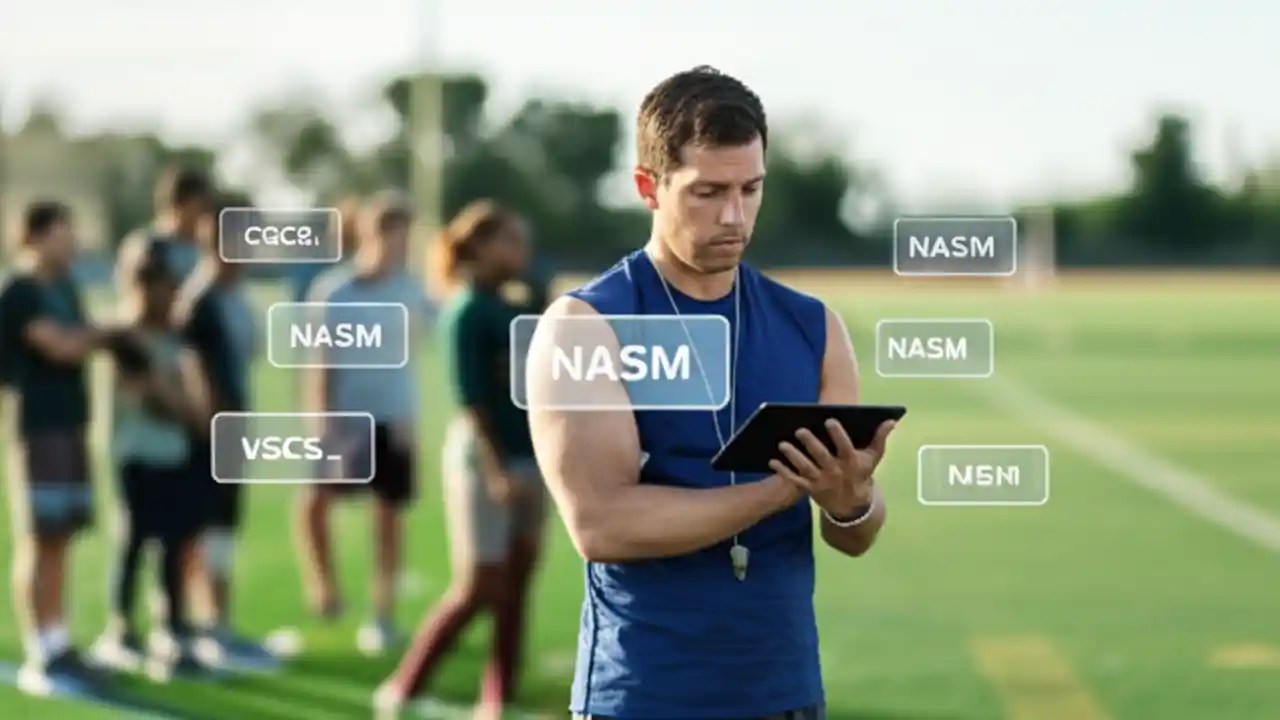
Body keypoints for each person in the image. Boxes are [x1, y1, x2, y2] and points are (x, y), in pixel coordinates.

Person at [528, 66, 900, 719]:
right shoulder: (585, 327)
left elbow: (853, 535)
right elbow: (603, 524)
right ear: (649, 187)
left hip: (785, 694)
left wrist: (851, 501)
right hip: (644, 694)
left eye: (750, 189)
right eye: (707, 192)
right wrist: (782, 489)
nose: (734, 215)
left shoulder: (815, 328)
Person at [375, 200, 549, 717]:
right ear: (481, 245)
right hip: (486, 460)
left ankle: (497, 698)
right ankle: (404, 686)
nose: (522, 251)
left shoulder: (511, 306)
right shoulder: (467, 309)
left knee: (518, 583)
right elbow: (471, 400)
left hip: (530, 456)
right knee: (479, 585)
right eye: (511, 240)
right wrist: (497, 470)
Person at [294, 191, 434, 655]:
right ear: (370, 235)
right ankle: (325, 590)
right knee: (314, 505)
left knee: (388, 516)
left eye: (406, 237)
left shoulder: (412, 290)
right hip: (345, 422)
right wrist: (322, 422)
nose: (400, 246)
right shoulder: (334, 290)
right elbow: (319, 361)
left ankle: (383, 613)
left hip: (395, 419)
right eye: (394, 236)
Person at [1, 201, 112, 696]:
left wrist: (88, 336)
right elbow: (62, 346)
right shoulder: (20, 292)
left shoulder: (65, 288)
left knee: (62, 535)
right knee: (38, 537)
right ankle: (39, 650)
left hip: (70, 426)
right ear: (36, 237)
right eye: (64, 234)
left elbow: (79, 338)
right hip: (37, 428)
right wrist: (99, 335)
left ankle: (59, 639)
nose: (72, 243)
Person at [90, 238, 213, 680]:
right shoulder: (124, 337)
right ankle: (121, 629)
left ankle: (171, 629)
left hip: (173, 453)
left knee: (175, 544)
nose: (168, 294)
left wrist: (189, 408)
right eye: (161, 285)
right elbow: (154, 397)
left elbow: (188, 395)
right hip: (136, 453)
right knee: (134, 541)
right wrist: (184, 405)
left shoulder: (174, 335)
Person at [171, 193, 274, 670]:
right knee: (202, 532)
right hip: (206, 438)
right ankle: (205, 626)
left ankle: (219, 623)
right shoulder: (199, 300)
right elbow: (196, 377)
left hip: (233, 430)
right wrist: (217, 432)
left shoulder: (237, 298)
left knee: (224, 533)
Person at [117, 165, 213, 290]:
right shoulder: (146, 247)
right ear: (182, 203)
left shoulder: (205, 251)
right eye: (202, 205)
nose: (207, 214)